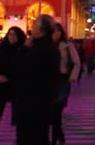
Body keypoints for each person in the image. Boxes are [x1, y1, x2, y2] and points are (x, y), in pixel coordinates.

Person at [14, 15, 60, 145]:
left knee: (29, 136)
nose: (31, 28)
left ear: (41, 30)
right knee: (40, 135)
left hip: (31, 101)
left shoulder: (37, 49)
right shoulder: (50, 47)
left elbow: (18, 68)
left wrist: (23, 49)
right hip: (42, 101)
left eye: (34, 25)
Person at [0, 27, 26, 145]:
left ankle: (20, 140)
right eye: (10, 34)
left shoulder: (22, 50)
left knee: (18, 117)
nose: (12, 37)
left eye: (14, 35)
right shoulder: (0, 48)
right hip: (1, 87)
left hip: (16, 87)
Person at [51, 23, 80, 144]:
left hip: (63, 80)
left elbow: (77, 62)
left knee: (57, 110)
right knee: (52, 112)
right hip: (50, 81)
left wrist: (72, 77)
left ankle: (54, 139)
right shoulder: (46, 46)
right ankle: (59, 135)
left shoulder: (68, 45)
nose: (56, 34)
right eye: (53, 31)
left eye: (58, 31)